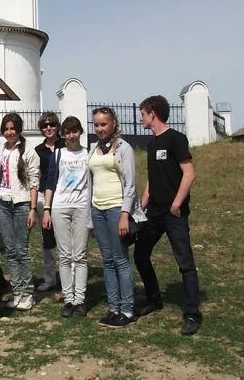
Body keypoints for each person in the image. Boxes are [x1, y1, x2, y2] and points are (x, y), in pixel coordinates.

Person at [135, 95, 202, 335]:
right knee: (141, 254)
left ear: (152, 113)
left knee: (185, 263)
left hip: (174, 212)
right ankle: (154, 298)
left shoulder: (176, 139)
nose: (141, 118)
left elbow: (189, 173)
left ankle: (192, 314)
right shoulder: (152, 145)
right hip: (154, 212)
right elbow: (153, 180)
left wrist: (177, 204)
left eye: (143, 113)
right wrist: (142, 204)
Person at [88, 107, 146, 328]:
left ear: (113, 124)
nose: (100, 128)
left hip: (115, 208)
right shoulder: (93, 149)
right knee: (107, 261)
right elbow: (90, 183)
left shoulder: (124, 148)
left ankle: (128, 309)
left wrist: (124, 214)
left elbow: (131, 185)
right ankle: (113, 308)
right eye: (96, 124)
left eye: (104, 124)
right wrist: (90, 219)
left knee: (120, 259)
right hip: (98, 209)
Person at [43, 116, 91, 318]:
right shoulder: (59, 154)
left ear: (80, 132)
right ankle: (68, 299)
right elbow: (51, 181)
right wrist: (46, 208)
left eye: (75, 131)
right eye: (67, 132)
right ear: (63, 135)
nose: (71, 136)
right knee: (64, 255)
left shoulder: (89, 154)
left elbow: (93, 182)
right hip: (60, 207)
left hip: (81, 207)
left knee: (79, 255)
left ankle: (79, 300)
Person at [0, 113, 39, 311]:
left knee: (22, 249)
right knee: (10, 250)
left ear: (18, 130)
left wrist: (33, 209)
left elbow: (34, 181)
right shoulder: (1, 149)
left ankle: (27, 292)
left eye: (13, 129)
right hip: (2, 203)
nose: (9, 132)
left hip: (21, 204)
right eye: (6, 129)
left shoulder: (28, 151)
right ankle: (17, 291)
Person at [34, 111, 65, 292]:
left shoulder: (65, 145)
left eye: (52, 125)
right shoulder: (39, 150)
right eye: (45, 125)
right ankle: (49, 278)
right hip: (44, 195)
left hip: (63, 195)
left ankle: (68, 276)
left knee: (64, 237)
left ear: (57, 127)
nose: (49, 128)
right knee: (47, 237)